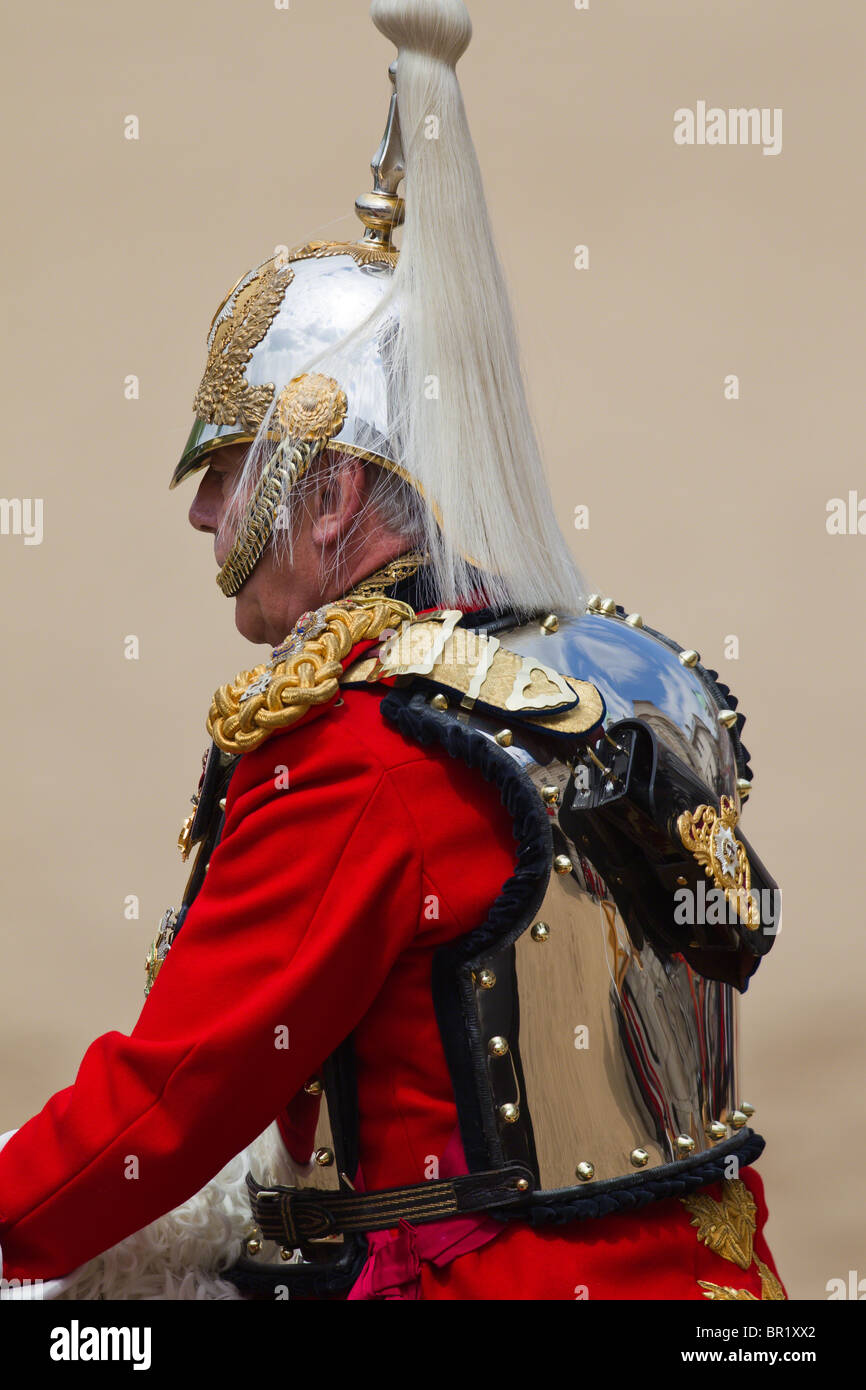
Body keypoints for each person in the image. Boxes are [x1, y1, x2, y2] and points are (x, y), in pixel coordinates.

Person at [0, 0, 786, 1301]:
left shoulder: (365, 744)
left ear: (328, 497)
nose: (201, 512)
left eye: (228, 470)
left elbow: (174, 1098)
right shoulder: (625, 666)